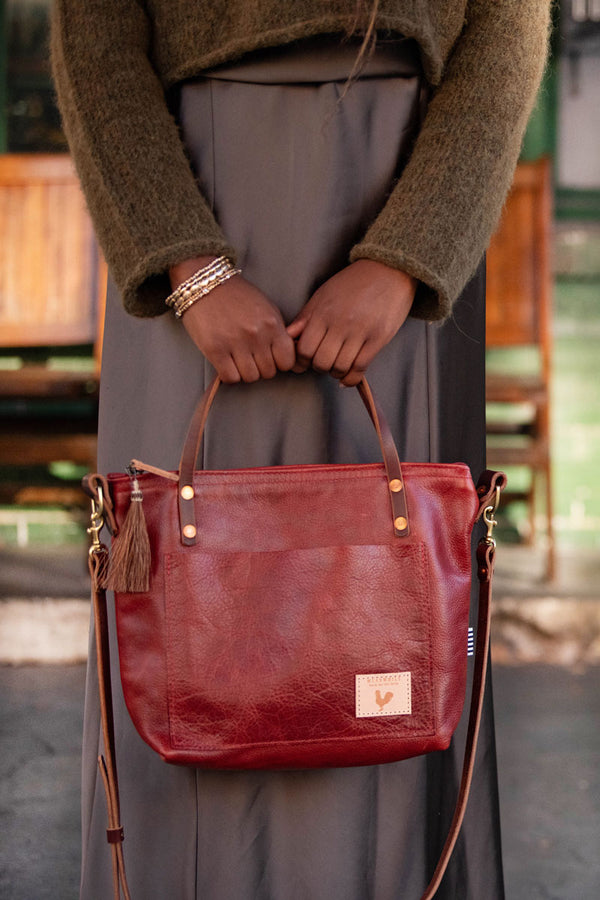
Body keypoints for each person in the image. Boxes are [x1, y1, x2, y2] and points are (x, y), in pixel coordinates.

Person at [51, 2, 550, 898]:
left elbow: (508, 30)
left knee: (400, 610)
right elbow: (93, 35)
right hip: (193, 195)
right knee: (178, 598)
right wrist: (185, 262)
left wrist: (408, 258)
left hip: (409, 191)